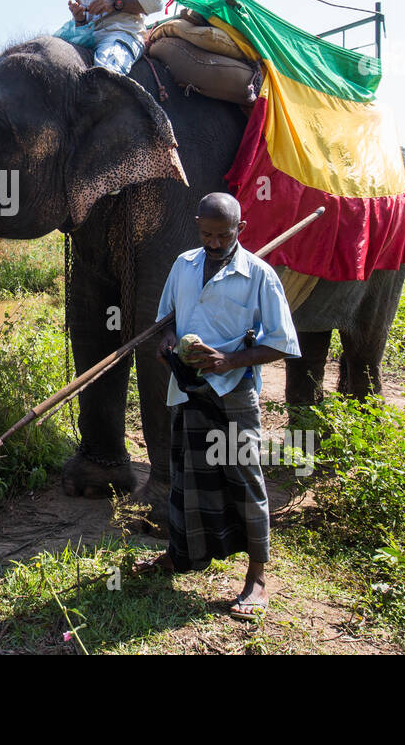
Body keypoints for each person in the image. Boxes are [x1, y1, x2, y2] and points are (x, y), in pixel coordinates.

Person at [135, 191, 300, 620]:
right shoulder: (183, 265)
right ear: (197, 225)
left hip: (234, 394)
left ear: (240, 229)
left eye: (222, 234)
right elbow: (167, 317)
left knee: (245, 479)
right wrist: (168, 340)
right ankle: (179, 555)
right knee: (186, 476)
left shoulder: (259, 276)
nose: (213, 242)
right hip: (187, 388)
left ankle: (258, 578)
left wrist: (231, 359)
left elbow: (281, 342)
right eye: (206, 233)